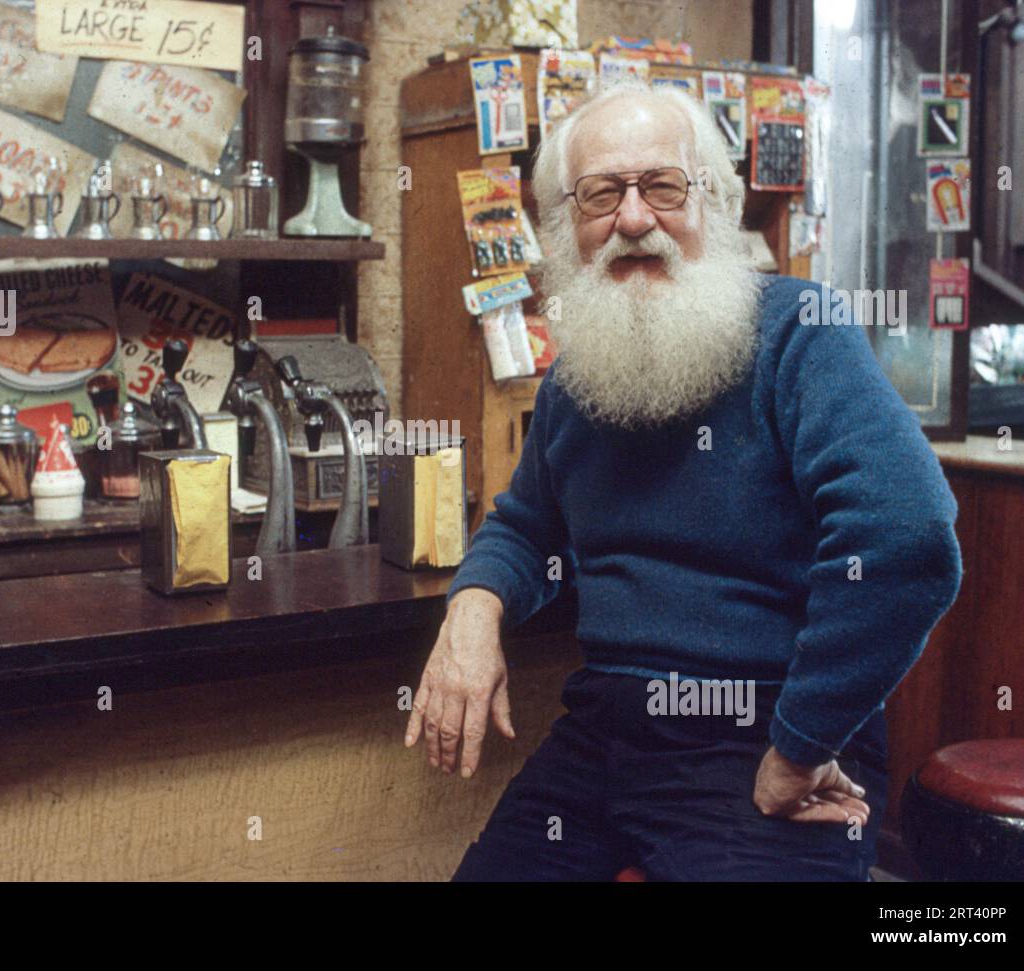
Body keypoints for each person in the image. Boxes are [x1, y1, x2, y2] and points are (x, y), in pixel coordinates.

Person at [404, 83, 963, 881]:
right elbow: (525, 526)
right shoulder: (578, 379)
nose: (634, 220)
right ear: (567, 227)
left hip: (767, 736)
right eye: (602, 194)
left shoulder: (803, 333)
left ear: (718, 203)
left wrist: (801, 746)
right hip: (604, 735)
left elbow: (906, 538)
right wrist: (473, 607)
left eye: (664, 187)